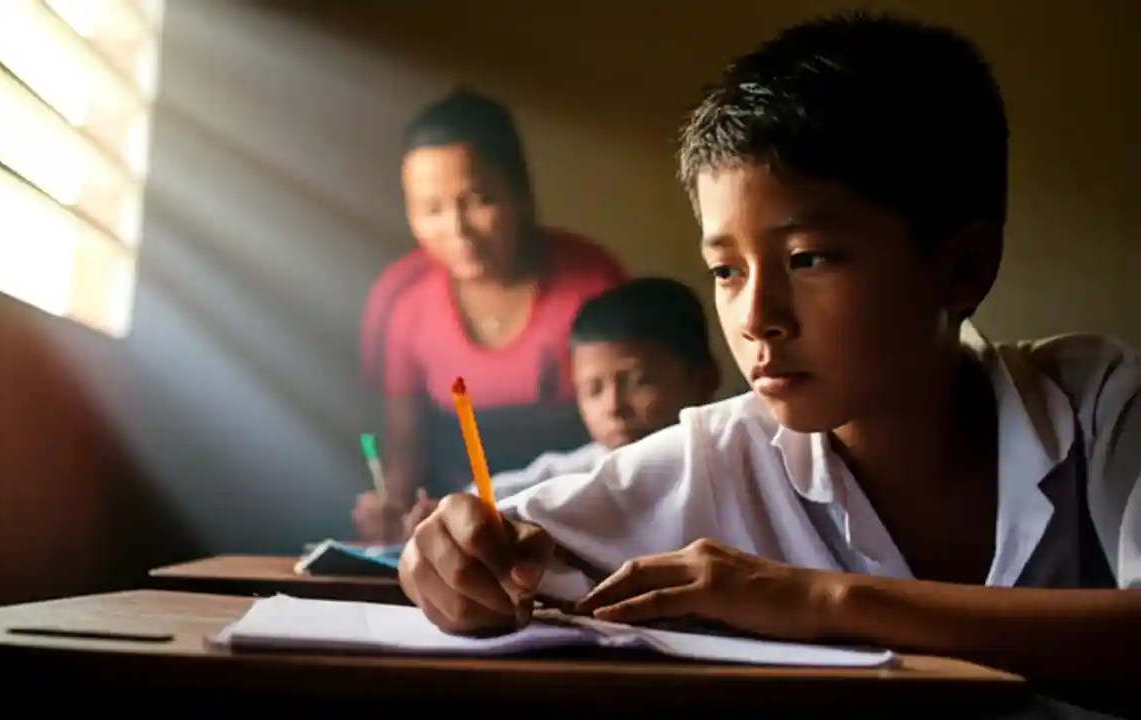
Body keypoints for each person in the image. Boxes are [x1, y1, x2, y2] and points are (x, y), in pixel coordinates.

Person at [395, 11, 1141, 701]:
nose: (756, 318)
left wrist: (813, 599)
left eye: (808, 259)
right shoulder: (717, 455)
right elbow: (485, 550)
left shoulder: (1101, 405)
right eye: (726, 270)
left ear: (962, 269)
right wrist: (446, 560)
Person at [354, 88, 628, 542]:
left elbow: (628, 440)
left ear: (521, 194)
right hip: (454, 537)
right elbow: (403, 455)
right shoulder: (401, 300)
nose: (457, 230)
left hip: (573, 527)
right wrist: (389, 512)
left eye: (478, 200)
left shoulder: (590, 284)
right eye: (431, 209)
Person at [401, 277, 722, 534]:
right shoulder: (577, 472)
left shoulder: (729, 464)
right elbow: (498, 495)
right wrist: (448, 514)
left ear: (704, 381)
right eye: (593, 389)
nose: (613, 407)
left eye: (640, 382)